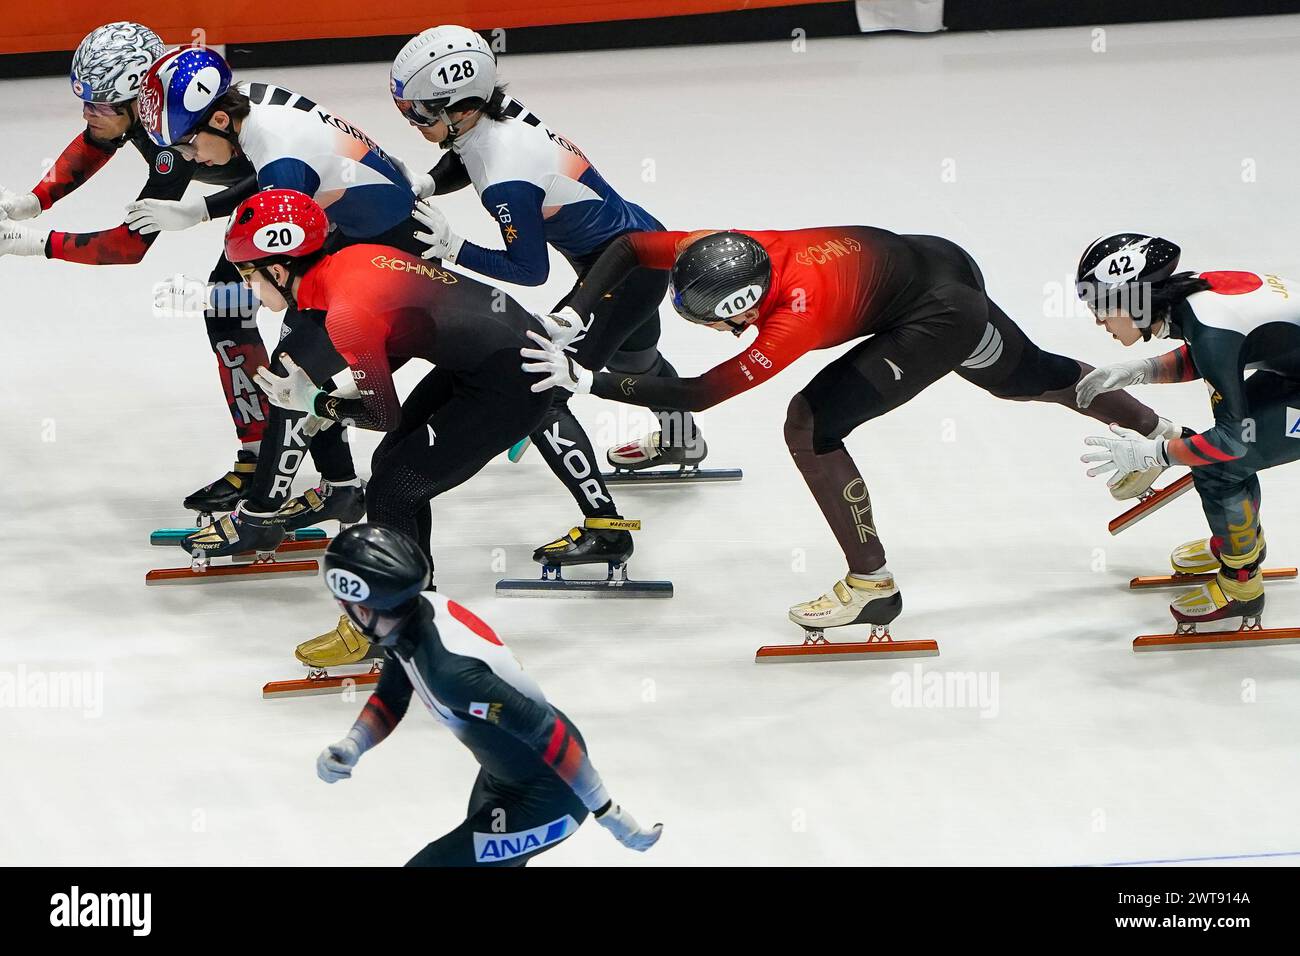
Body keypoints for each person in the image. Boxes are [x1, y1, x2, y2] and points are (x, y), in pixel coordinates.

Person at [521, 226, 1176, 634]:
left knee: (808, 426)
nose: (722, 335)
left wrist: (588, 382)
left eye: (717, 325)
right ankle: (1156, 434)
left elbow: (703, 393)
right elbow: (634, 247)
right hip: (938, 262)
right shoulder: (738, 247)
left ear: (743, 304)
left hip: (935, 312)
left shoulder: (791, 321)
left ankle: (871, 587)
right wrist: (574, 316)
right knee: (1023, 375)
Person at [391, 24, 703, 571]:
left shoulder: (503, 177)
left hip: (619, 271)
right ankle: (682, 440)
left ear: (460, 106)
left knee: (544, 390)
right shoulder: (498, 112)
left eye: (419, 113)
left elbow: (528, 271)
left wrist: (454, 245)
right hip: (638, 248)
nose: (413, 123)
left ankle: (607, 528)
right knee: (636, 357)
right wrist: (429, 185)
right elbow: (463, 154)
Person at [223, 188, 557, 667]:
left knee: (393, 491)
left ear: (278, 270)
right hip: (493, 358)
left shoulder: (345, 311)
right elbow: (398, 334)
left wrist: (316, 401)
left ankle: (393, 627)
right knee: (390, 470)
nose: (248, 287)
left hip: (513, 383)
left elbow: (385, 415)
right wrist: (333, 399)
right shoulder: (354, 261)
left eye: (246, 274)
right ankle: (420, 605)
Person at [137, 45, 428, 540]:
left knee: (290, 373)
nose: (190, 158)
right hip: (364, 232)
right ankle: (339, 487)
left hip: (386, 253)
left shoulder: (279, 154)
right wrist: (200, 211)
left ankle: (260, 516)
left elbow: (279, 230)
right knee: (304, 370)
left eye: (189, 145)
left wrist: (203, 218)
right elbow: (275, 181)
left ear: (222, 121)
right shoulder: (252, 109)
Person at [0, 22, 272, 513]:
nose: (89, 115)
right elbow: (93, 143)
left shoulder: (172, 136)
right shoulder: (152, 106)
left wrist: (35, 245)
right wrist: (33, 201)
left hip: (302, 199)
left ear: (135, 101)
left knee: (254, 316)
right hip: (271, 194)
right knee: (230, 311)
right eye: (85, 101)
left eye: (101, 105)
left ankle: (285, 464)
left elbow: (129, 247)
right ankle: (268, 459)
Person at [313, 523, 662, 866]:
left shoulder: (450, 673)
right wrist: (354, 743)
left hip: (552, 795)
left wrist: (607, 812)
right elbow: (392, 696)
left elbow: (543, 732)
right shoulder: (413, 615)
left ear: (361, 610)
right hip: (510, 778)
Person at [1075, 233, 1300, 628]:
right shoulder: (1196, 300)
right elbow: (1222, 352)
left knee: (1220, 463)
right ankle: (1241, 543)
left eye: (1101, 307)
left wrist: (1154, 454)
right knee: (1220, 457)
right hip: (1291, 375)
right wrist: (1141, 370)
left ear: (1135, 300)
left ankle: (1241, 585)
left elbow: (1231, 440)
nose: (1098, 320)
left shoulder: (1211, 330)